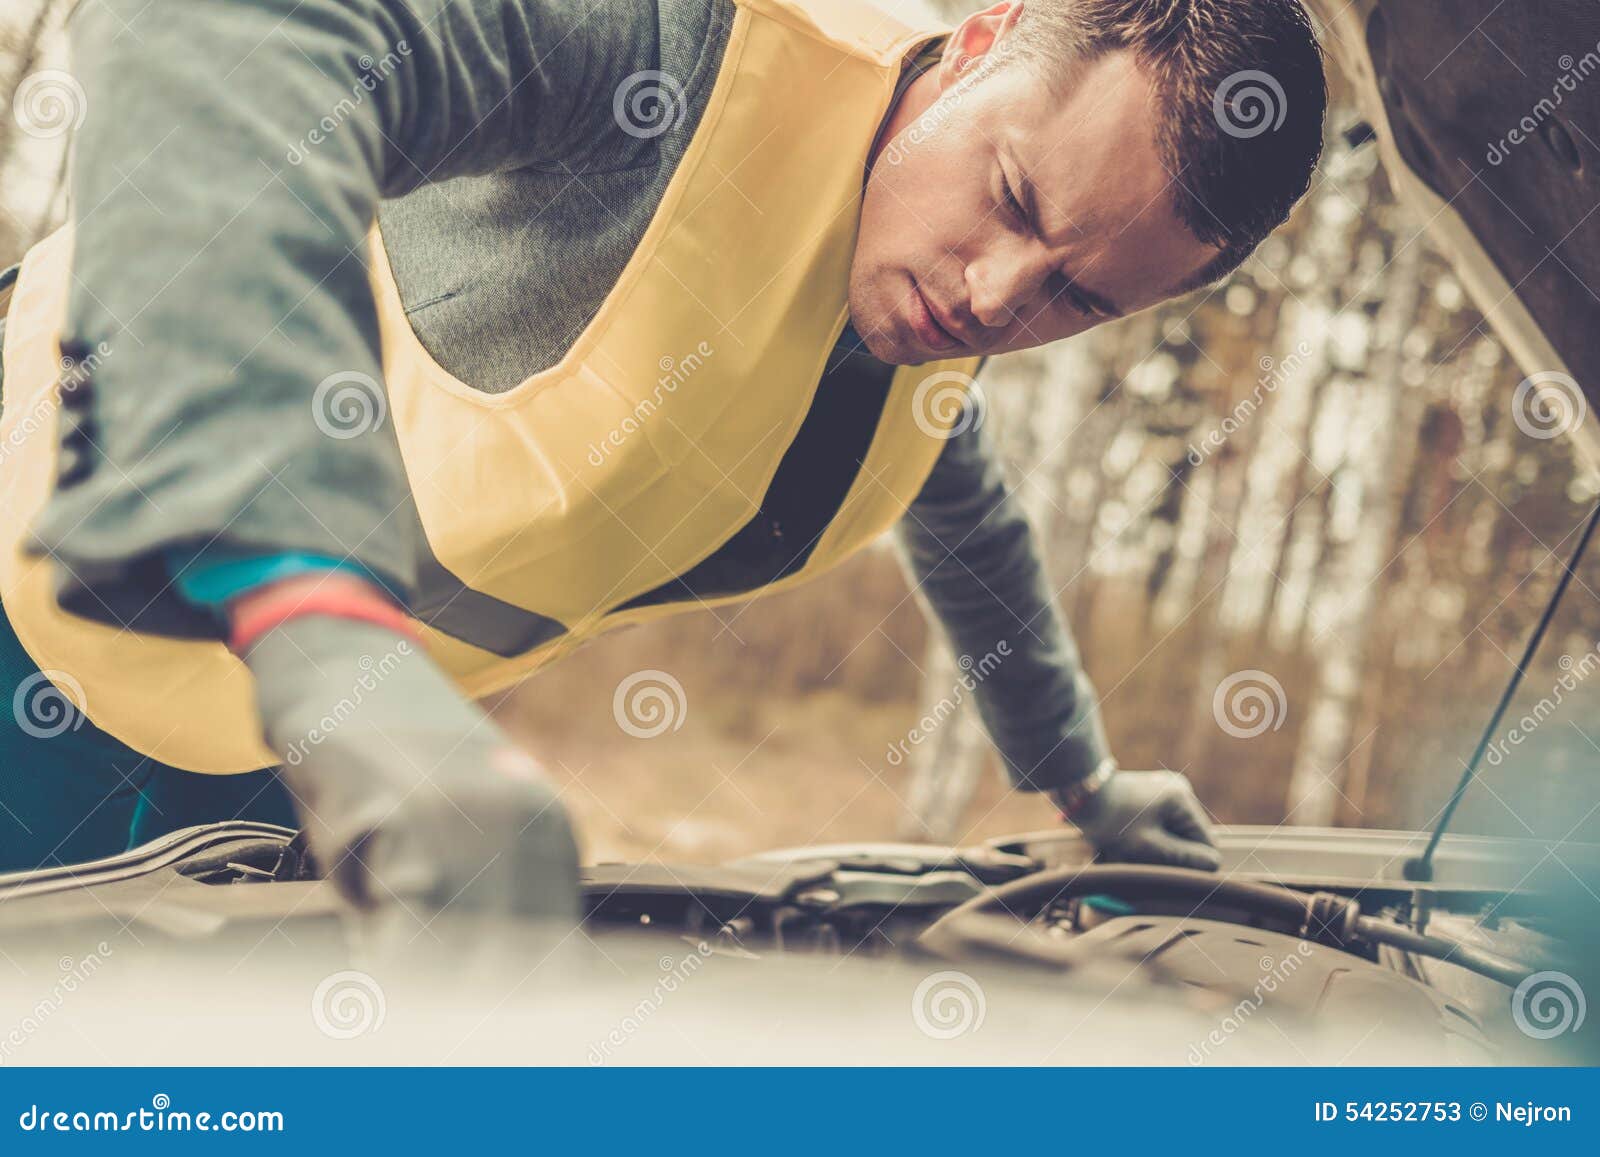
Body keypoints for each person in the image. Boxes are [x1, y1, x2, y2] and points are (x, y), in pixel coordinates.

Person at [0, 0, 1326, 930]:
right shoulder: (678, 57)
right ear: (982, 41)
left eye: (1080, 300)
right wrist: (296, 580)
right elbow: (226, 27)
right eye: (1017, 200)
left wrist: (1082, 783)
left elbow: (970, 526)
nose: (996, 299)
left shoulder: (921, 330)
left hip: (271, 747)